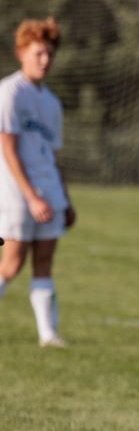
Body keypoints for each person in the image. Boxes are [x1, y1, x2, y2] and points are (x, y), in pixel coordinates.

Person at [0, 17, 75, 347]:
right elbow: (8, 148)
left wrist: (65, 199)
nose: (45, 60)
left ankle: (48, 334)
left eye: (49, 54)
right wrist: (31, 197)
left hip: (50, 193)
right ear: (21, 53)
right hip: (18, 194)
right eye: (38, 54)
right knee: (12, 264)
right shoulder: (9, 92)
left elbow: (51, 155)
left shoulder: (52, 102)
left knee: (44, 263)